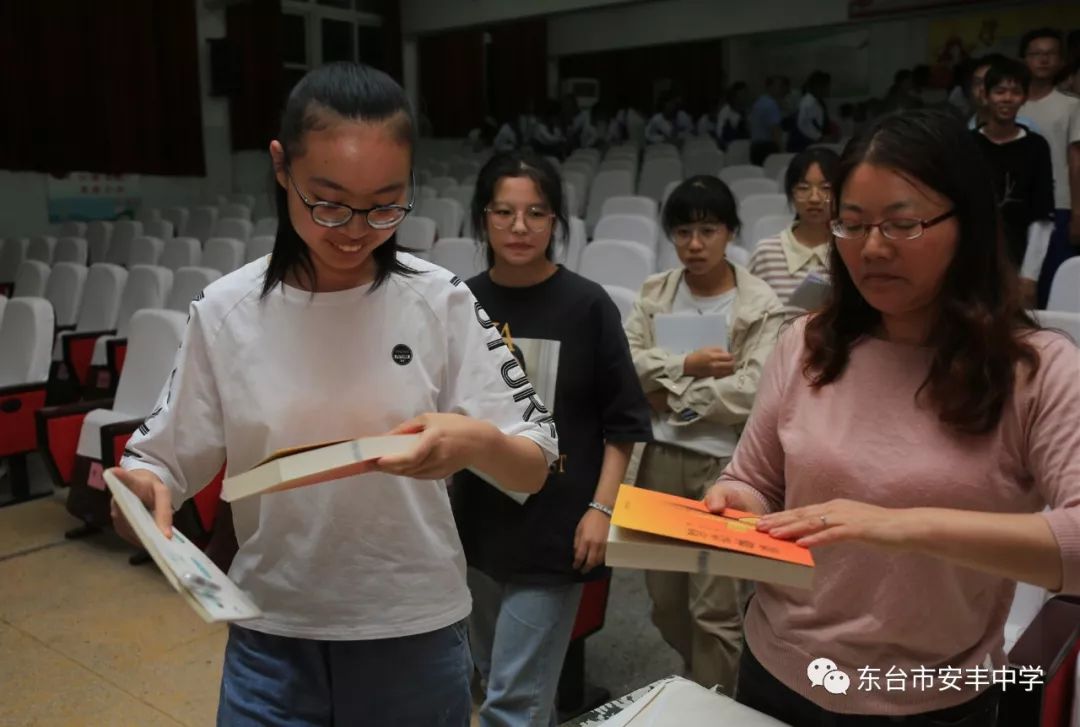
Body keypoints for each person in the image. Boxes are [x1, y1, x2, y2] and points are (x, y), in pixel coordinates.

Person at [108, 63, 559, 727]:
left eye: (385, 203)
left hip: (413, 632)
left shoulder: (440, 301)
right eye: (328, 200)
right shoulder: (226, 312)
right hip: (271, 635)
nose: (354, 228)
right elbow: (163, 461)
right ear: (281, 166)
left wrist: (474, 441)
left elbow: (535, 457)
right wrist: (139, 495)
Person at [704, 109, 1080, 725]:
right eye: (851, 226)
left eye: (902, 225)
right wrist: (734, 501)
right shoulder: (807, 342)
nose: (872, 249)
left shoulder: (1036, 370)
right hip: (779, 669)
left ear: (968, 224)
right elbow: (752, 477)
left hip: (930, 696)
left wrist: (897, 526)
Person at [453, 151, 652, 727]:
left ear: (556, 221)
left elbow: (624, 422)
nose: (519, 227)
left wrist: (601, 508)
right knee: (498, 681)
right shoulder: (459, 301)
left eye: (536, 213)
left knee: (513, 703)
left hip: (559, 526)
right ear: (483, 217)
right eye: (504, 212)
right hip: (478, 521)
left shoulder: (587, 304)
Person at [625, 175, 783, 696]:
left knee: (713, 609)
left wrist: (670, 396)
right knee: (665, 603)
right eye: (684, 231)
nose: (695, 244)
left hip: (729, 470)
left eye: (708, 230)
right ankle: (704, 684)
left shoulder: (759, 302)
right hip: (659, 463)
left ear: (730, 233)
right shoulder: (654, 292)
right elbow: (627, 363)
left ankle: (713, 703)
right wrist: (688, 363)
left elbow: (751, 390)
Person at [971, 57, 1055, 308]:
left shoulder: (1036, 147)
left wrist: (1029, 277)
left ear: (1025, 97)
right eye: (999, 91)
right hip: (973, 261)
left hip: (1018, 261)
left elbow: (1041, 217)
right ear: (985, 95)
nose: (1007, 99)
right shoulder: (966, 144)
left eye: (1015, 92)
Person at [1018, 27, 1080, 306]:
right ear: (1023, 60)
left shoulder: (1071, 106)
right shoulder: (1009, 105)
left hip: (1060, 206)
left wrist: (1078, 213)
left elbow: (1076, 159)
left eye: (1050, 54)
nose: (1043, 60)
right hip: (1019, 207)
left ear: (1061, 61)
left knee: (1054, 288)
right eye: (1036, 54)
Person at [749, 148, 839, 309]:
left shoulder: (851, 250)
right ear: (791, 192)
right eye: (803, 188)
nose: (814, 198)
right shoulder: (766, 253)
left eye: (826, 188)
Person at [966, 54, 1041, 133]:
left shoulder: (1028, 128)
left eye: (989, 83)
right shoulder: (964, 128)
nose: (982, 88)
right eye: (978, 82)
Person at [788, 71, 832, 153]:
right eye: (827, 86)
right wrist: (819, 137)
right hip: (804, 144)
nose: (828, 89)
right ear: (818, 87)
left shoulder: (815, 101)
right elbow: (802, 124)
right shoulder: (808, 102)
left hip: (810, 141)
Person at [749, 77, 789, 165]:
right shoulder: (771, 105)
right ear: (770, 87)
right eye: (779, 86)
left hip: (755, 147)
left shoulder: (758, 102)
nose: (783, 89)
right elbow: (775, 130)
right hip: (767, 148)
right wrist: (782, 151)